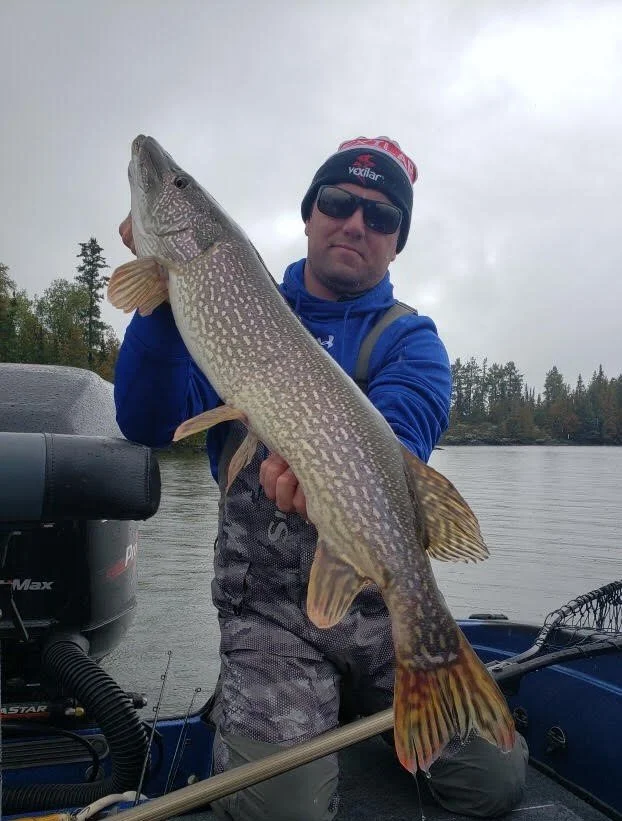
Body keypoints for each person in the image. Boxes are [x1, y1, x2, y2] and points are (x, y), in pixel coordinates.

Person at [114, 136, 528, 820]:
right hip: (271, 621)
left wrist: (325, 484)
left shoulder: (410, 342)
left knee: (494, 780)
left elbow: (393, 455)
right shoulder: (229, 296)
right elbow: (147, 419)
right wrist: (160, 294)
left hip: (376, 611)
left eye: (382, 215)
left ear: (397, 243)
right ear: (309, 214)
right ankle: (273, 712)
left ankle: (365, 697)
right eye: (338, 202)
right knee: (283, 813)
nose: (356, 222)